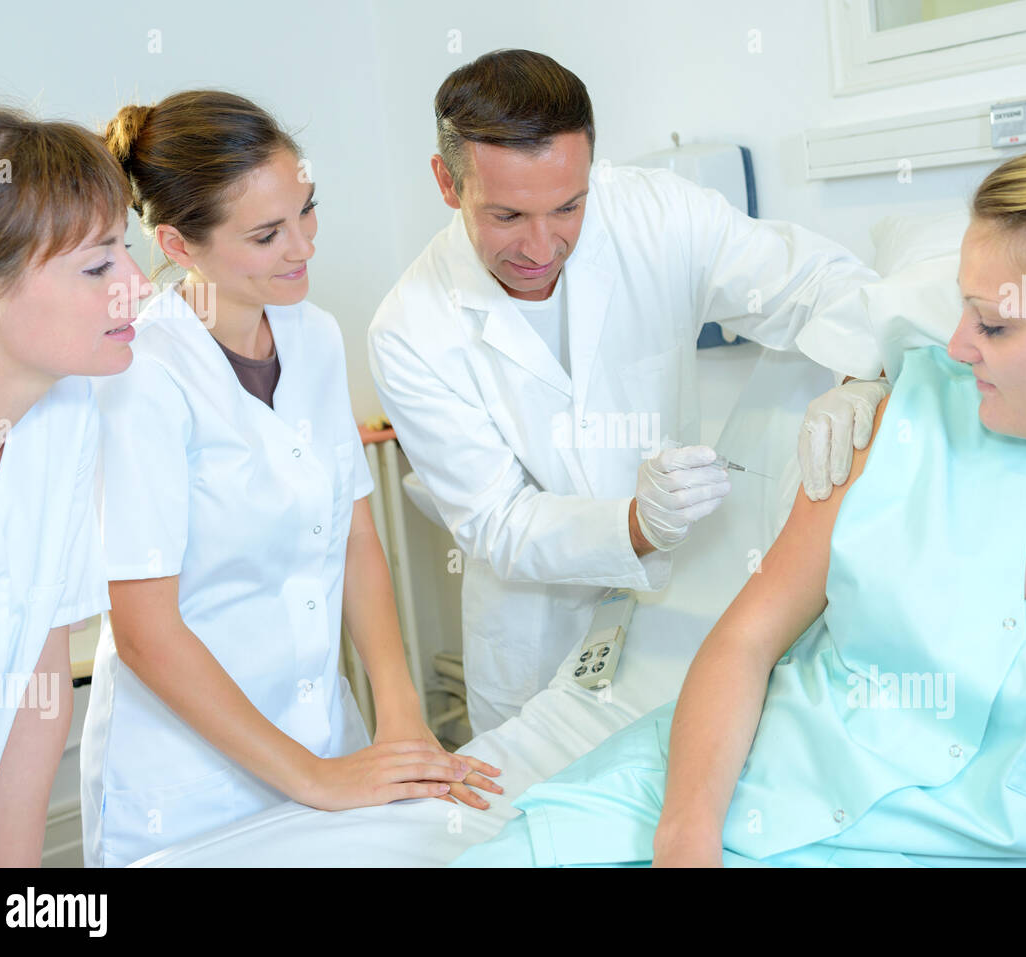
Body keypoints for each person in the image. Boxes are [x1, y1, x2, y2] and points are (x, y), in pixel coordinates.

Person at [453, 140, 1026, 867]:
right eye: (962, 307)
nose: (957, 343)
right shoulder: (910, 414)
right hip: (682, 811)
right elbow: (744, 641)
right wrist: (686, 842)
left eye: (996, 326)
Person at [369, 49, 891, 735]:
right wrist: (638, 524)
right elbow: (498, 522)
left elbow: (820, 284)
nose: (541, 244)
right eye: (506, 216)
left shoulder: (656, 215)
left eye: (568, 206)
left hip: (680, 620)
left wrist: (860, 375)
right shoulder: (410, 328)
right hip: (534, 646)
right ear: (447, 180)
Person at [81, 90, 499, 868]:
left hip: (323, 741)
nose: (303, 245)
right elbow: (144, 630)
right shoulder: (139, 370)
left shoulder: (314, 336)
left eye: (307, 211)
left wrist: (400, 715)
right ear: (176, 242)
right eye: (267, 233)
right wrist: (316, 777)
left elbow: (356, 536)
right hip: (190, 784)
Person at [0, 105, 145, 866]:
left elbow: (37, 686)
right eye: (99, 266)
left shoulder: (62, 411)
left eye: (124, 252)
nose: (138, 286)